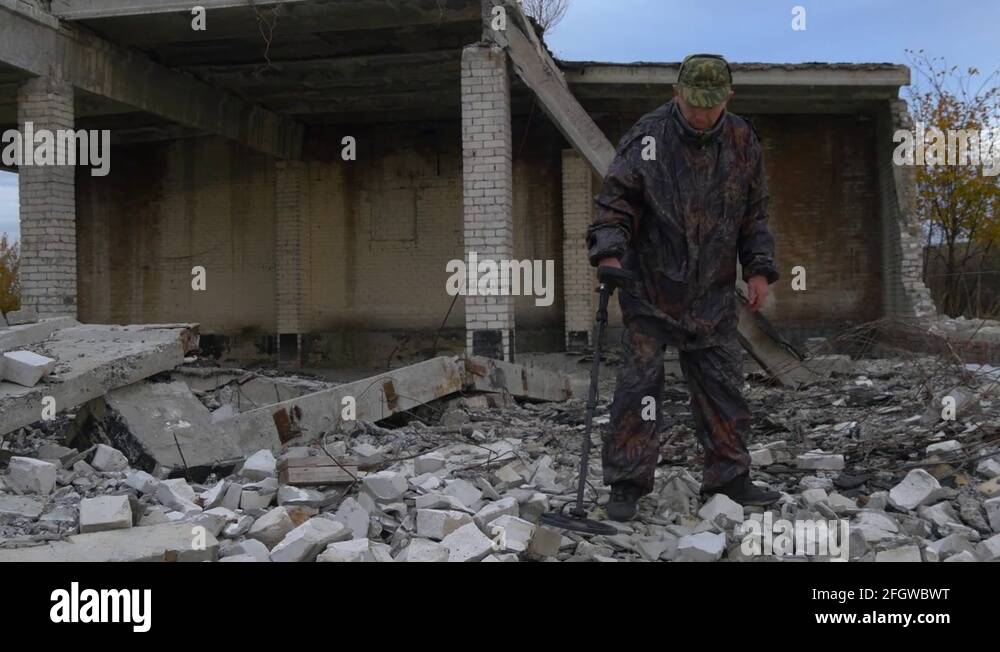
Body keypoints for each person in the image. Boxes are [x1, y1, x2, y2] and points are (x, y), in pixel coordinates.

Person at [587, 54, 782, 521]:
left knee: (723, 389)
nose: (700, 115)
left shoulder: (741, 140)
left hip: (712, 294)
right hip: (650, 289)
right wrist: (610, 255)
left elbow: (754, 213)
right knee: (639, 390)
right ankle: (627, 486)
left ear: (727, 99)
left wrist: (758, 269)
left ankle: (730, 479)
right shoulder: (647, 138)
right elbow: (616, 202)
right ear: (677, 94)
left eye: (709, 107)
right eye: (692, 105)